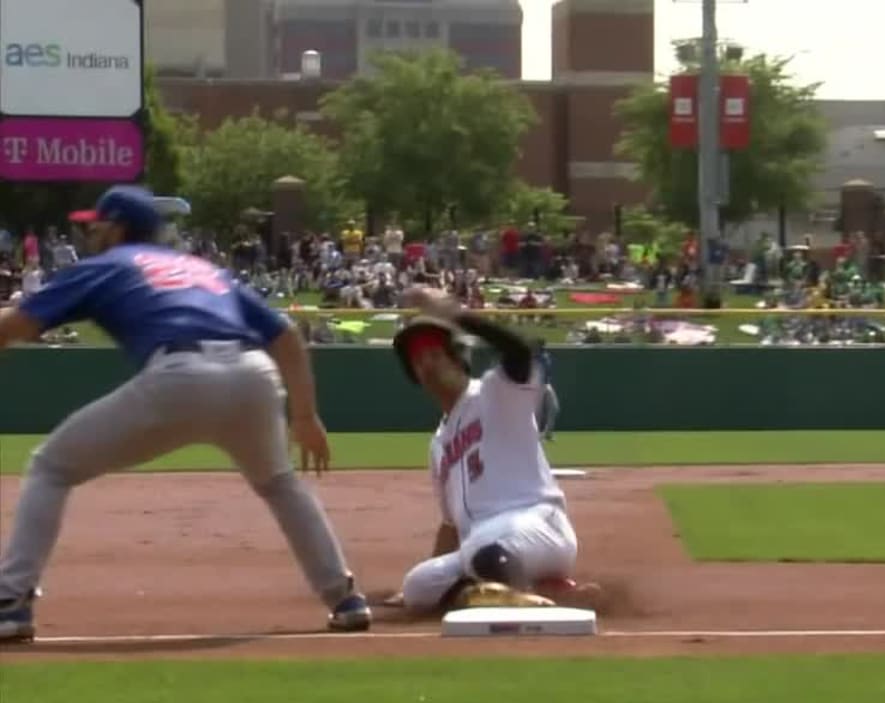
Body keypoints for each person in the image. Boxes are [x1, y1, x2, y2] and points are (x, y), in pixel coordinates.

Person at [0, 186, 372, 642]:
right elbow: (287, 336)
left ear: (117, 226)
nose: (89, 230)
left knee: (51, 466)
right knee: (280, 484)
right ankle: (345, 598)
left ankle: (12, 601)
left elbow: (15, 326)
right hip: (253, 376)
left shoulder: (105, 265)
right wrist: (306, 416)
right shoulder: (204, 269)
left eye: (95, 222)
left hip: (181, 375)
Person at [382, 286, 601, 613]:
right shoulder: (439, 443)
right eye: (417, 359)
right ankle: (534, 588)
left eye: (433, 354)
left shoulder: (495, 394)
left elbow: (520, 353)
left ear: (457, 357)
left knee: (481, 546)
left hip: (536, 525)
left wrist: (457, 315)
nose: (425, 364)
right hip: (485, 548)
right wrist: (432, 581)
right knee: (417, 585)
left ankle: (519, 596)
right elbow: (450, 526)